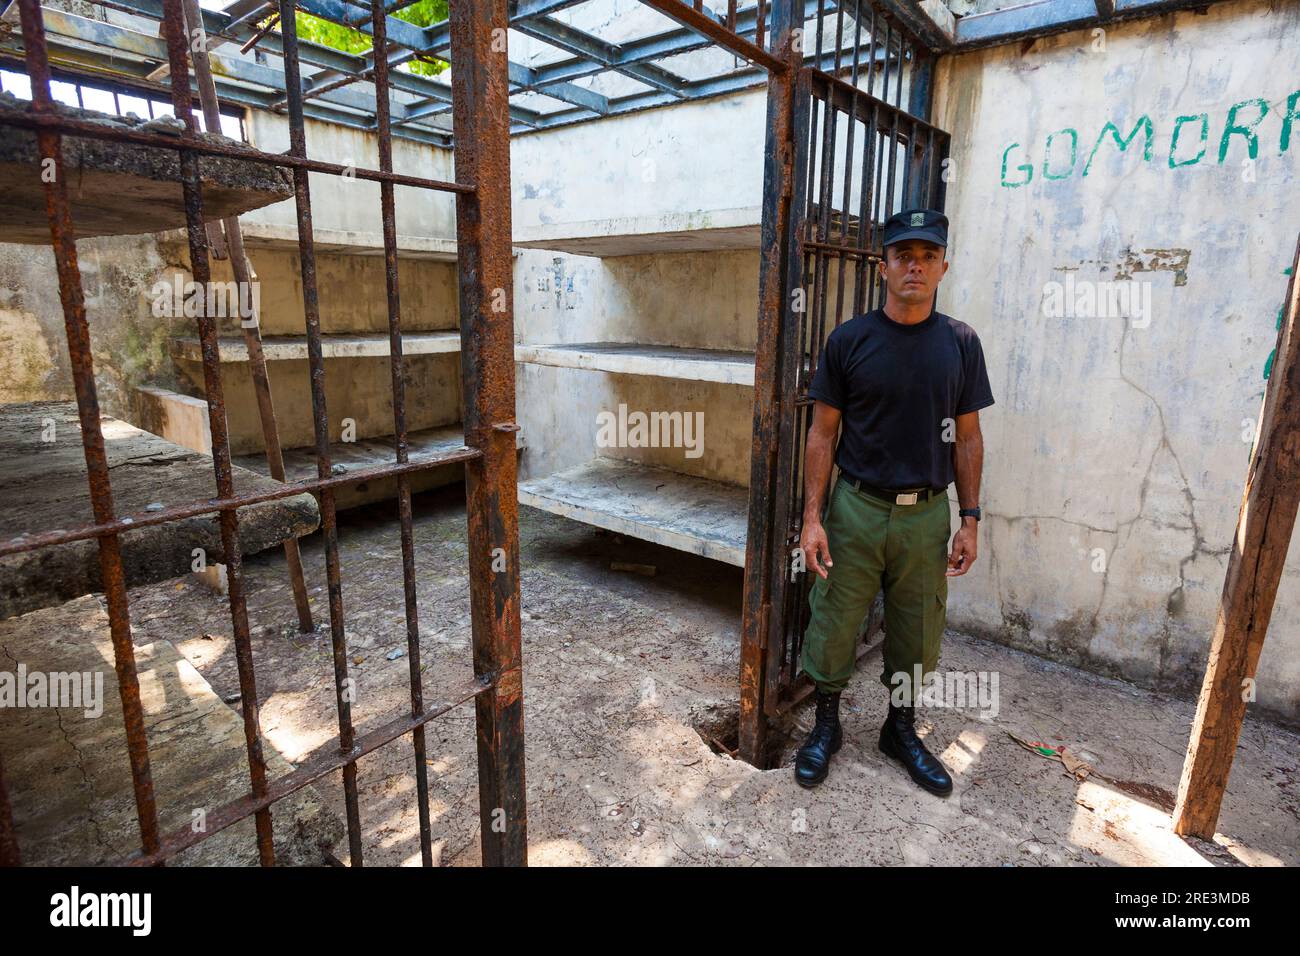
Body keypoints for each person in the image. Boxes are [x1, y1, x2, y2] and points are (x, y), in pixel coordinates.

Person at [793, 208, 994, 796]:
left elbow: (970, 436)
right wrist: (812, 517)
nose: (915, 265)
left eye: (927, 255)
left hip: (927, 515)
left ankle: (899, 730)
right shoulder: (850, 340)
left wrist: (972, 519)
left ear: (943, 267)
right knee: (834, 620)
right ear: (883, 266)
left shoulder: (960, 343)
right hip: (855, 507)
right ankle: (825, 726)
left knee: (918, 629)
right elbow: (822, 433)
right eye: (903, 254)